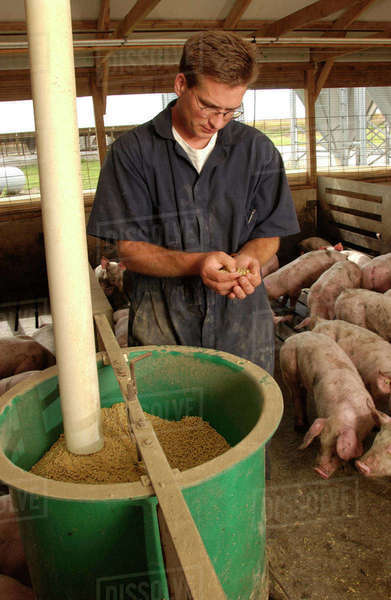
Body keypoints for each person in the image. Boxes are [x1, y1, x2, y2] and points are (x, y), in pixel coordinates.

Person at [87, 30, 300, 374]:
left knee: (246, 415)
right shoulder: (132, 153)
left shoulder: (258, 151)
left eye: (230, 111)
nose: (216, 122)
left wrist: (249, 260)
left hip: (242, 320)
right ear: (181, 84)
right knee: (170, 421)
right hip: (163, 321)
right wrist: (197, 263)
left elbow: (270, 233)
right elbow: (127, 249)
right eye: (207, 106)